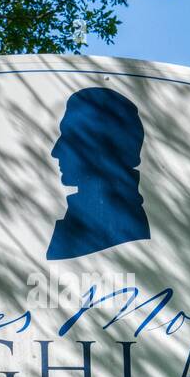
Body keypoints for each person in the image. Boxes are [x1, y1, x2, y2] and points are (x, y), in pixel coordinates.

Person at [46, 87, 151, 260]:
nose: (55, 151)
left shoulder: (116, 221)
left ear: (101, 148)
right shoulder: (85, 213)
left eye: (69, 138)